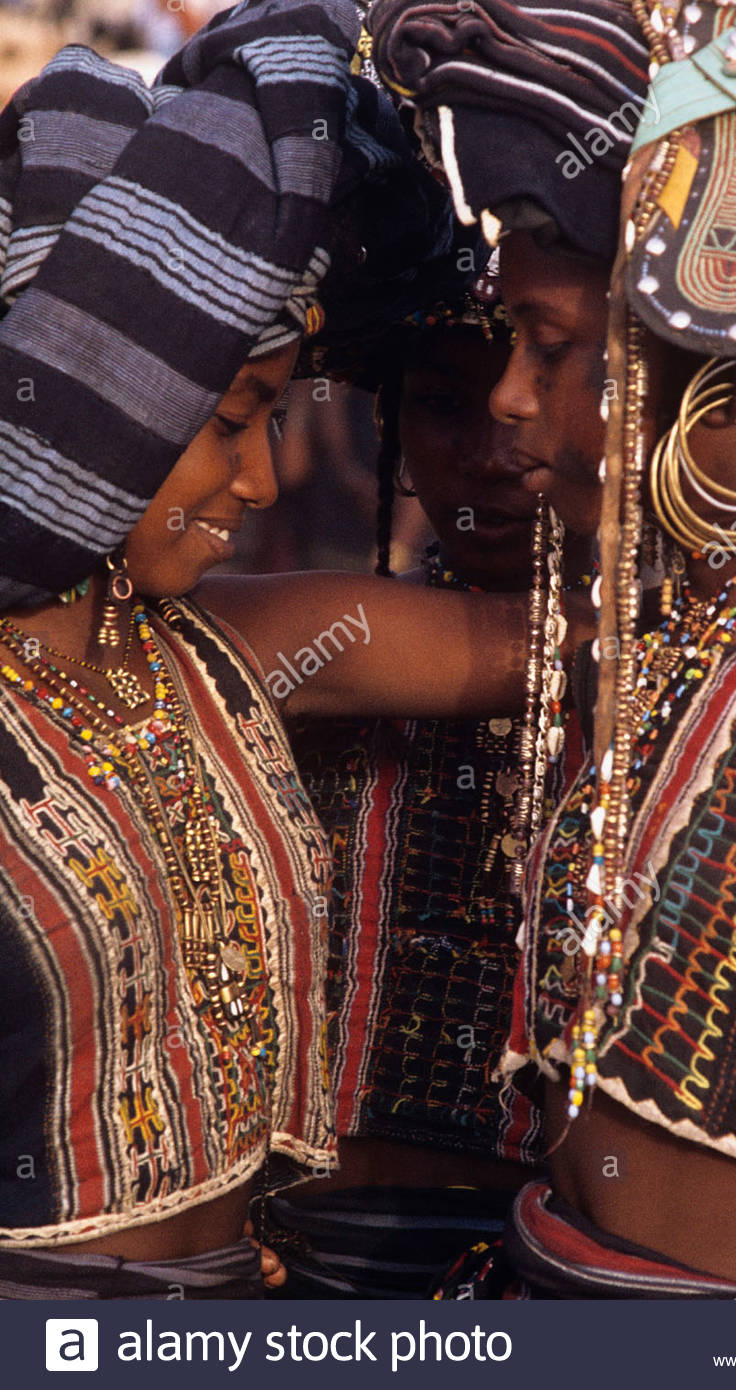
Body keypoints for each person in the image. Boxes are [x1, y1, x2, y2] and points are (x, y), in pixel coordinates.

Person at [0, 1, 596, 1297]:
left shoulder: (220, 653)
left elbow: (573, 640)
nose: (263, 482)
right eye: (231, 421)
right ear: (102, 406)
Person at [373, 0, 736, 1299]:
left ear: (716, 360)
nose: (503, 398)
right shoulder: (645, 625)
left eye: (550, 351)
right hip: (537, 1271)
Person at [269, 276, 595, 1297]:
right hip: (288, 1269)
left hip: (562, 1277)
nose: (493, 450)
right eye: (441, 402)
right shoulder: (313, 641)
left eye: (539, 382)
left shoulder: (717, 679)